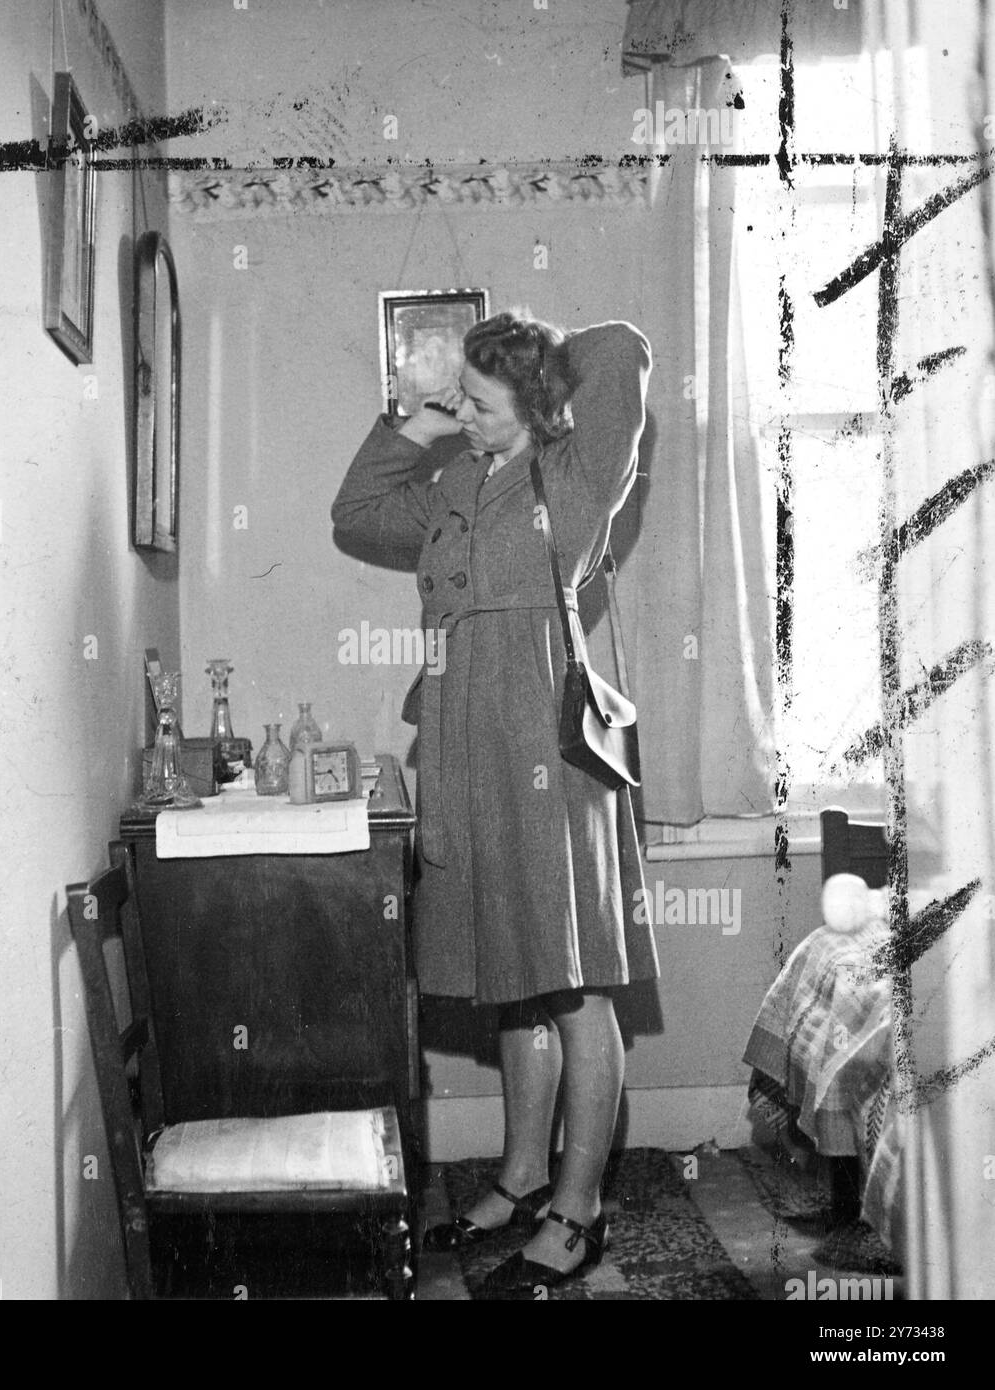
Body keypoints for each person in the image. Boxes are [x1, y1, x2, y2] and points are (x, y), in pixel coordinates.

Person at [331, 309, 659, 1299]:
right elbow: (353, 514)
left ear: (538, 405)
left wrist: (534, 369)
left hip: (547, 754)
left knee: (570, 985)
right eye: (460, 403)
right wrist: (422, 425)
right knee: (510, 978)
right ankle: (521, 1177)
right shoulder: (454, 485)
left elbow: (623, 350)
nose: (463, 413)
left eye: (479, 402)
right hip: (463, 749)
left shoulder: (575, 475)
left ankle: (578, 1203)